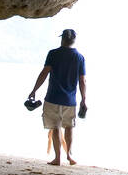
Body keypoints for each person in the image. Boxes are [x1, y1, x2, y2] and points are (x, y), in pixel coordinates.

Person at [28, 29, 87, 165]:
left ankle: (57, 158)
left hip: (53, 98)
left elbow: (44, 73)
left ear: (62, 39)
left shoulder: (53, 54)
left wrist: (34, 90)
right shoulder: (79, 57)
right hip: (70, 101)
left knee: (55, 127)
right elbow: (82, 81)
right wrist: (83, 99)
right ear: (74, 40)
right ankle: (69, 155)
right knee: (69, 127)